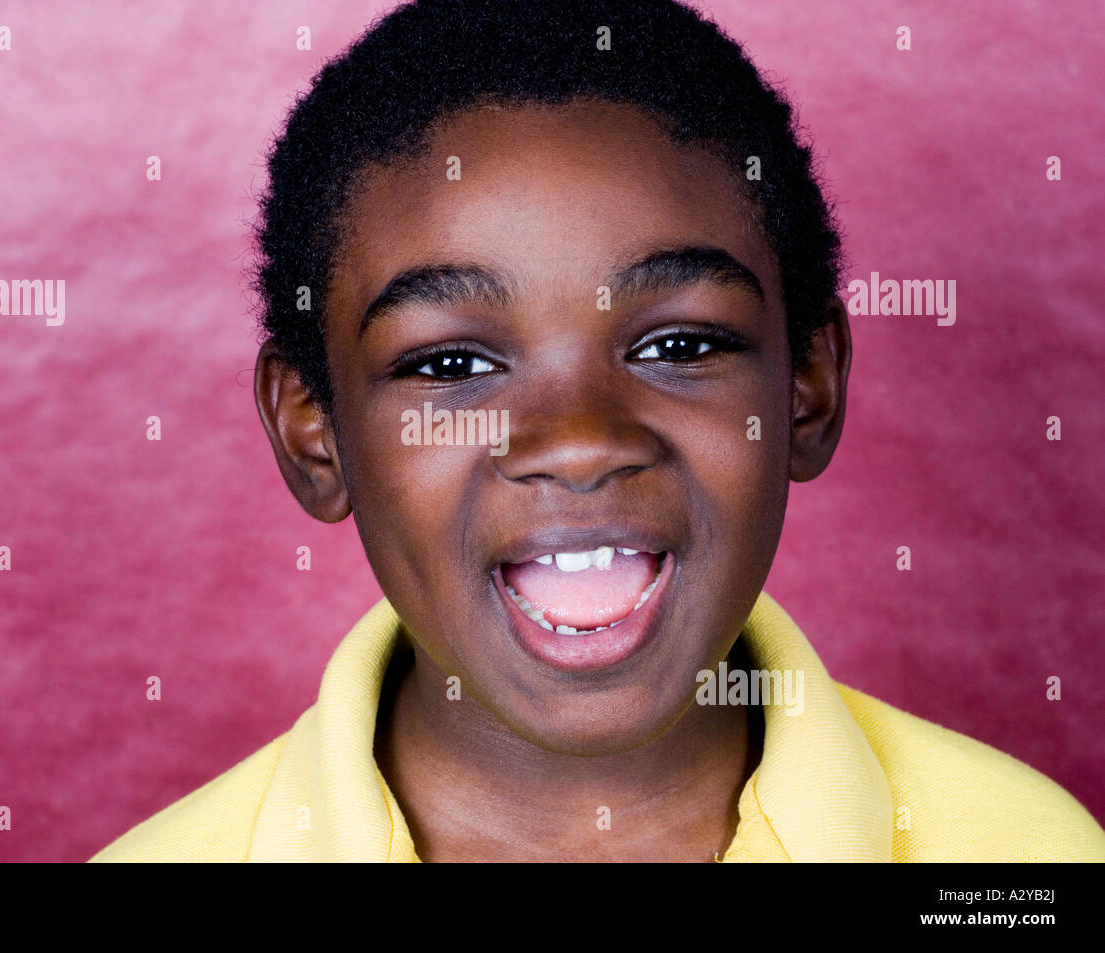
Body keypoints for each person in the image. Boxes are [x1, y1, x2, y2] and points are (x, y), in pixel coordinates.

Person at [91, 0, 1105, 862]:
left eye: (678, 344)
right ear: (314, 433)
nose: (578, 441)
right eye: (450, 365)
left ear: (806, 383)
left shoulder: (1022, 851)